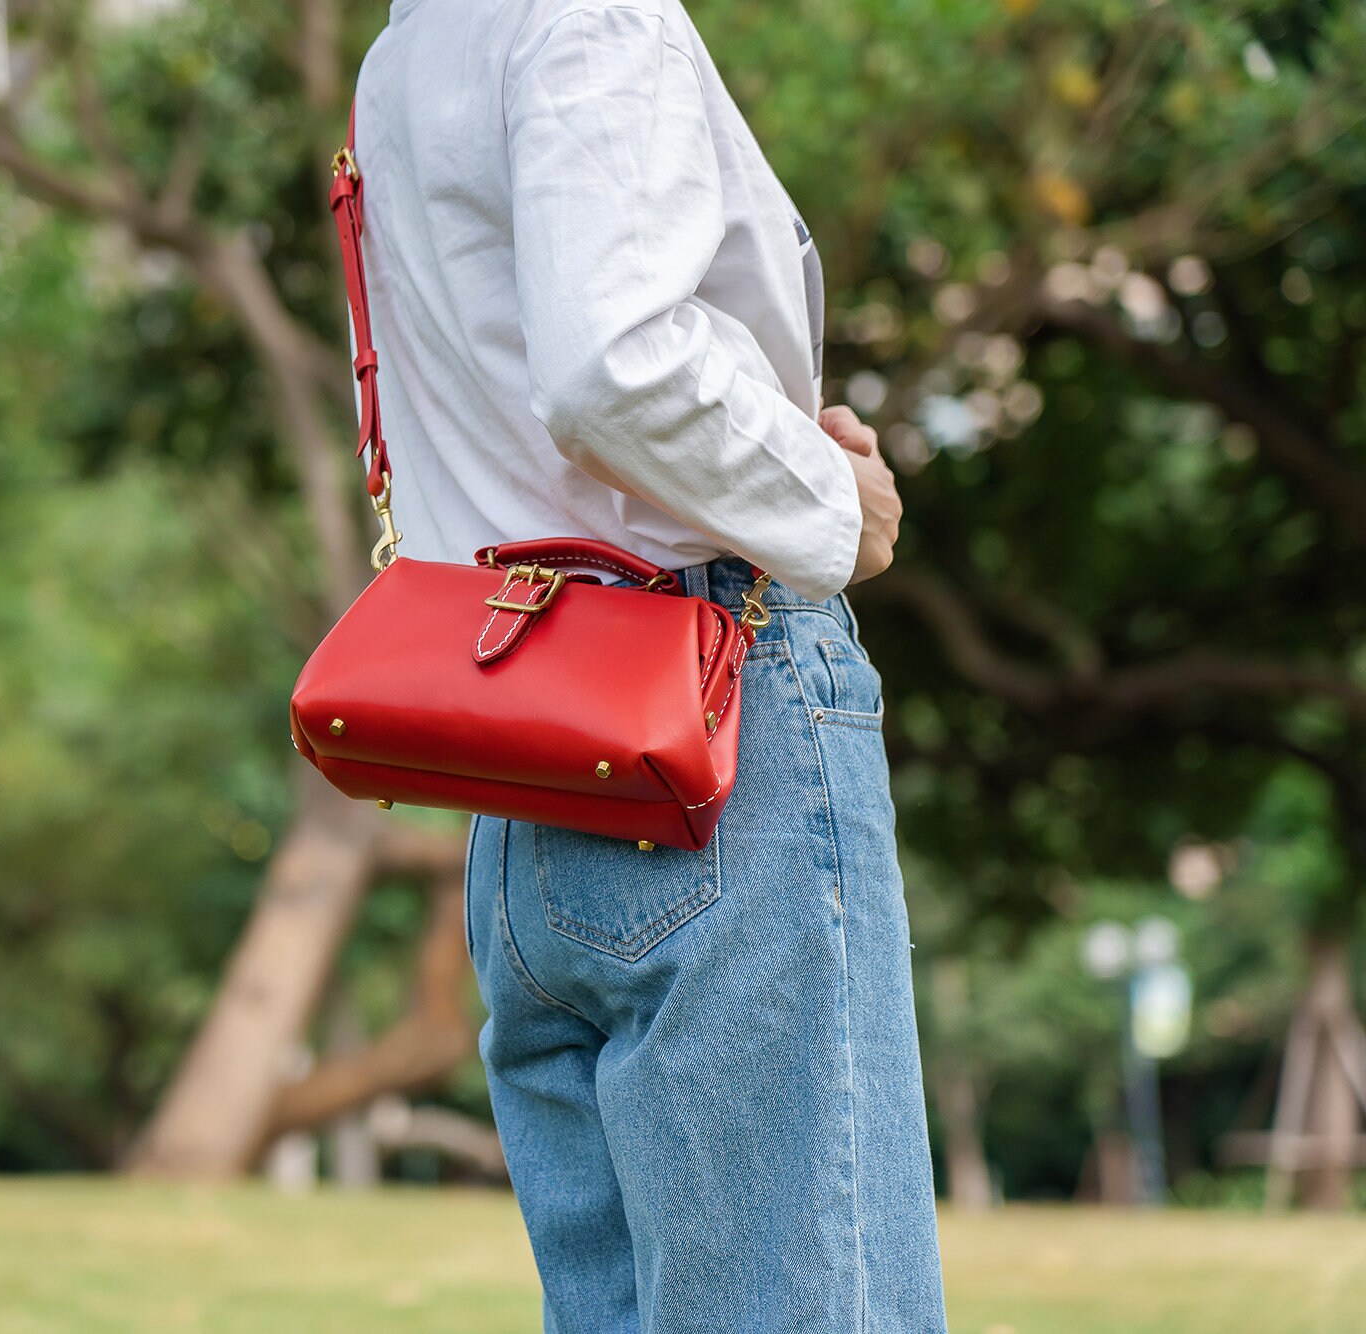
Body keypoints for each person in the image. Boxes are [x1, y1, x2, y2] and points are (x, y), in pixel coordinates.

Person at [351, 2, 947, 1329]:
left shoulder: (410, 49)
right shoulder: (594, 15)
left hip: (522, 763)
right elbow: (612, 367)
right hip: (705, 725)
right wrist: (834, 501)